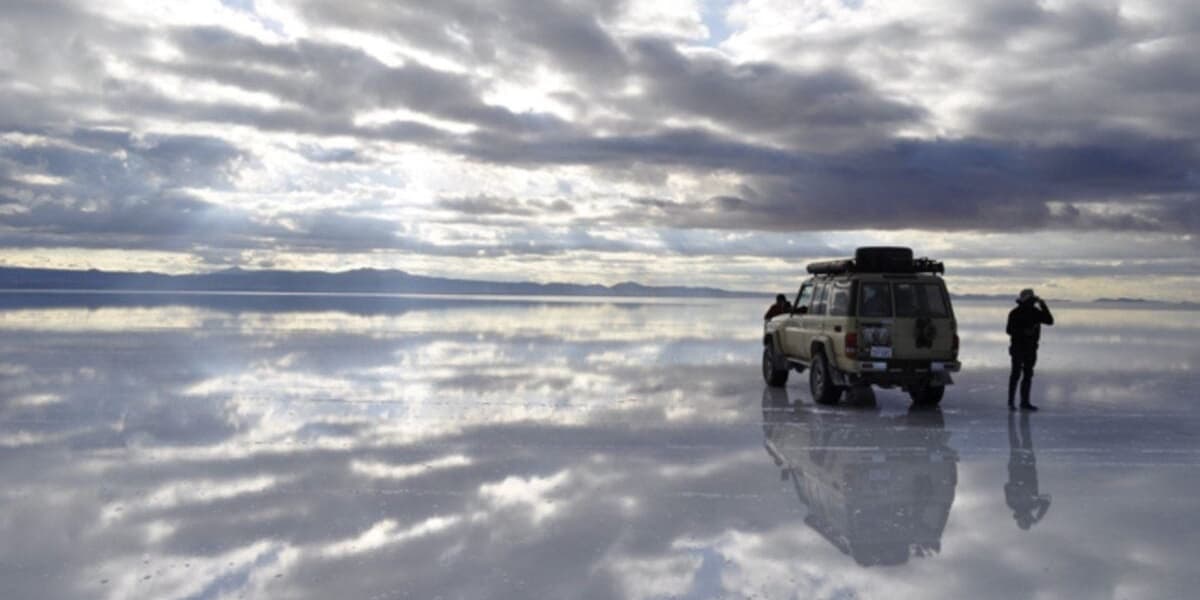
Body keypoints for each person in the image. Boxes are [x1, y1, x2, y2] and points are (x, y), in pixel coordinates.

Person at [1006, 288, 1054, 411]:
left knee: (1027, 374)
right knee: (1016, 374)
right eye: (1031, 299)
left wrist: (1043, 305)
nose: (1033, 301)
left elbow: (1049, 321)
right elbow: (1009, 330)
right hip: (1017, 348)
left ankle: (1024, 402)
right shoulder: (1015, 313)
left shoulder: (1035, 312)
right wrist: (1024, 331)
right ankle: (1011, 402)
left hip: (1031, 348)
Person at [1005, 411, 1051, 530]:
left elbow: (1007, 486)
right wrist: (1039, 517)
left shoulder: (1013, 504)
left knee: (1014, 440)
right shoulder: (1033, 505)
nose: (1030, 517)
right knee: (1026, 439)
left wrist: (1021, 487)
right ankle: (1023, 416)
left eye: (1027, 520)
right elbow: (1047, 501)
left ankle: (1011, 416)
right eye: (1030, 519)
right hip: (1029, 467)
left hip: (1017, 468)